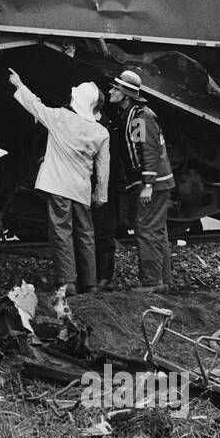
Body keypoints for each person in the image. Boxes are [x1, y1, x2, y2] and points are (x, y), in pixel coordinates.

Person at [8, 69, 109, 294]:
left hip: (59, 186)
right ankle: (90, 283)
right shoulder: (101, 132)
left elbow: (34, 105)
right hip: (82, 189)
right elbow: (103, 168)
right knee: (86, 234)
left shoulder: (59, 117)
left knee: (62, 231)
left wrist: (19, 84)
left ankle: (67, 282)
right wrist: (101, 194)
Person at [107, 69, 174, 292]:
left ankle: (152, 282)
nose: (111, 91)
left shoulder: (140, 117)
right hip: (156, 181)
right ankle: (163, 281)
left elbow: (149, 150)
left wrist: (148, 184)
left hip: (154, 183)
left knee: (146, 229)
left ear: (126, 94)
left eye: (115, 88)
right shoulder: (133, 114)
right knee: (157, 231)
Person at [90, 89, 119, 290]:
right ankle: (95, 276)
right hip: (92, 185)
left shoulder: (105, 129)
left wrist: (101, 191)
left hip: (102, 187)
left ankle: (104, 277)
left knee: (102, 233)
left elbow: (108, 165)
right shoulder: (104, 125)